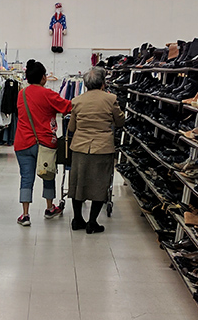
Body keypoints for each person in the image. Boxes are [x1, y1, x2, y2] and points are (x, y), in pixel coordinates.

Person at [14, 59, 71, 226]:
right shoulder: (49, 94)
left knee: (26, 177)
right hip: (45, 143)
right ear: (43, 78)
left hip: (23, 142)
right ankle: (49, 207)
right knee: (48, 174)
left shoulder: (21, 94)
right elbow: (67, 107)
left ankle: (25, 215)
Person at [68, 67, 124, 234]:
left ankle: (78, 219)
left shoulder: (77, 100)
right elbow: (120, 121)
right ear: (103, 83)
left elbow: (71, 127)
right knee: (100, 184)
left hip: (80, 147)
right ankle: (92, 222)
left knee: (78, 183)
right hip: (102, 147)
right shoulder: (110, 99)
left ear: (85, 84)